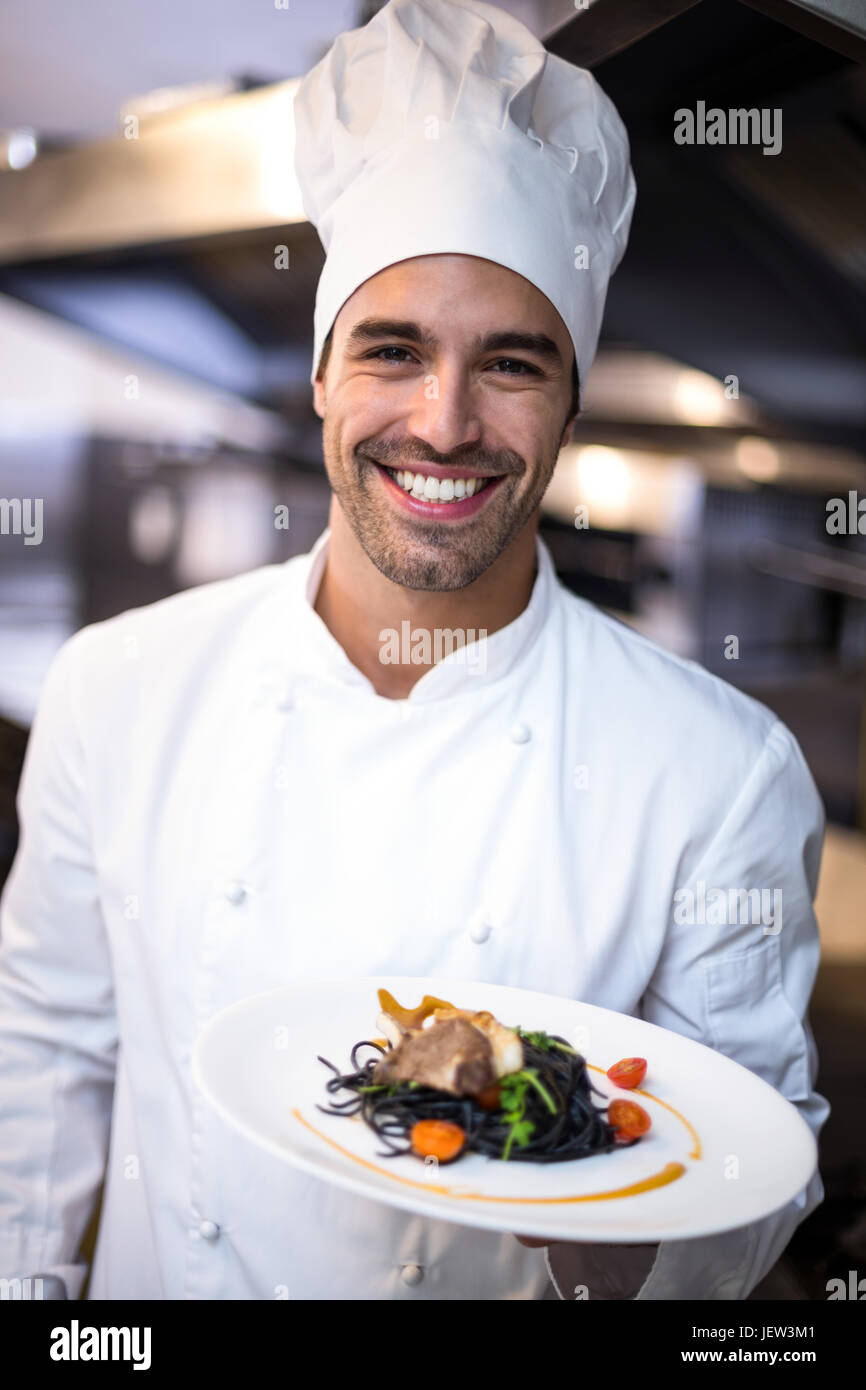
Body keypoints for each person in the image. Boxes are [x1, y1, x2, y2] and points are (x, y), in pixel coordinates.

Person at [0, 0, 827, 1301]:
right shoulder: (118, 687)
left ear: (567, 399)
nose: (444, 423)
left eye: (510, 363)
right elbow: (40, 1055)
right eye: (393, 350)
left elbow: (746, 1183)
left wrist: (630, 1221)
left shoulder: (717, 771)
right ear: (325, 374)